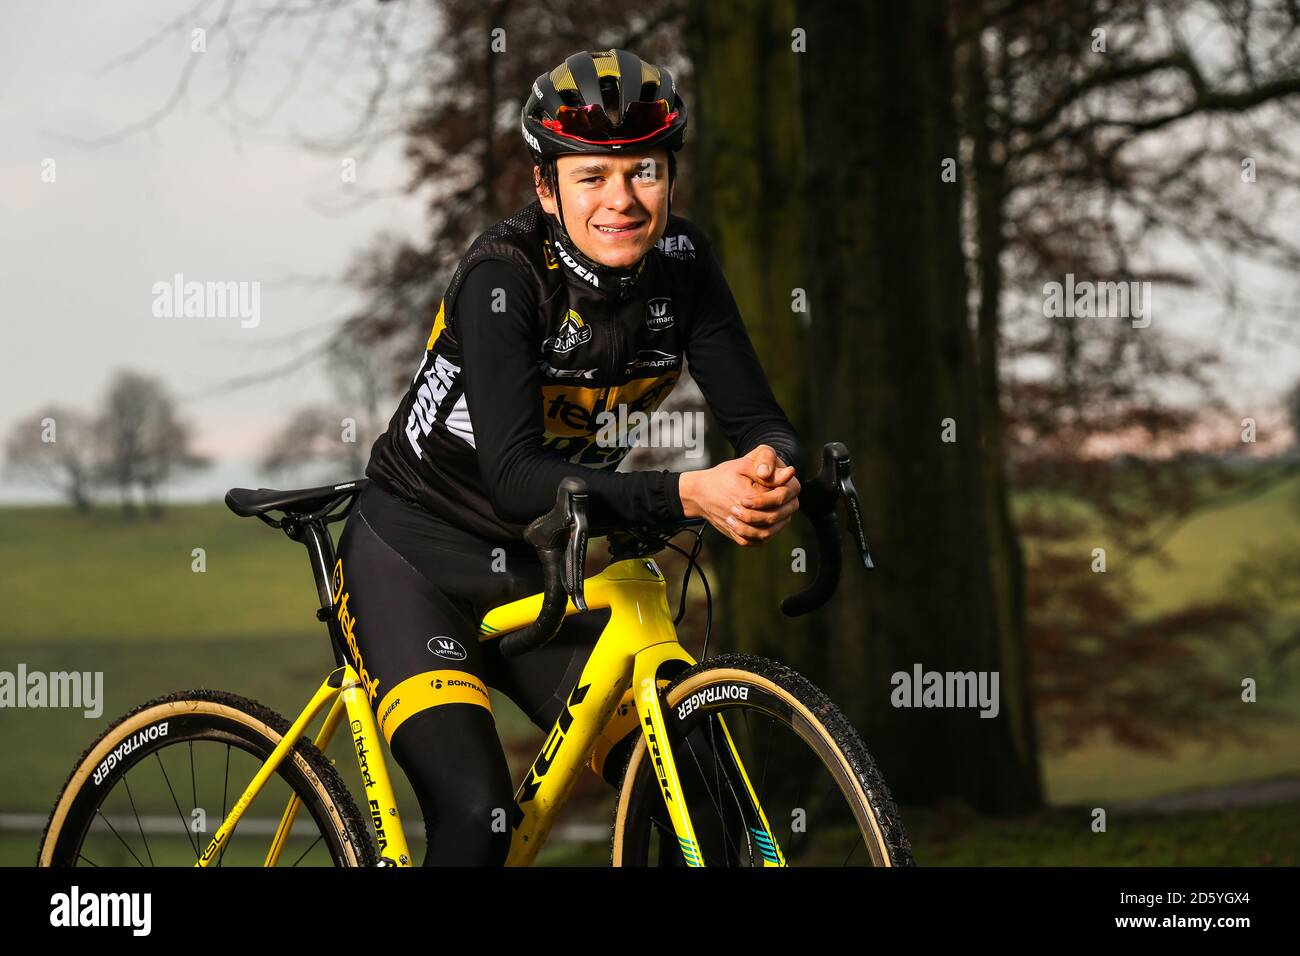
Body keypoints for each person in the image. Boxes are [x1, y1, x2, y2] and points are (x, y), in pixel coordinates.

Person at [334, 48, 806, 865]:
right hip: (414, 557)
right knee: (479, 814)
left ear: (669, 178)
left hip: (543, 562)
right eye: (591, 177)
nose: (620, 200)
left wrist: (774, 468)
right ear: (547, 189)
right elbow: (517, 480)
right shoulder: (503, 277)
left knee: (702, 788)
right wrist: (691, 493)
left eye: (645, 174)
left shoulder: (685, 270)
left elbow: (760, 418)